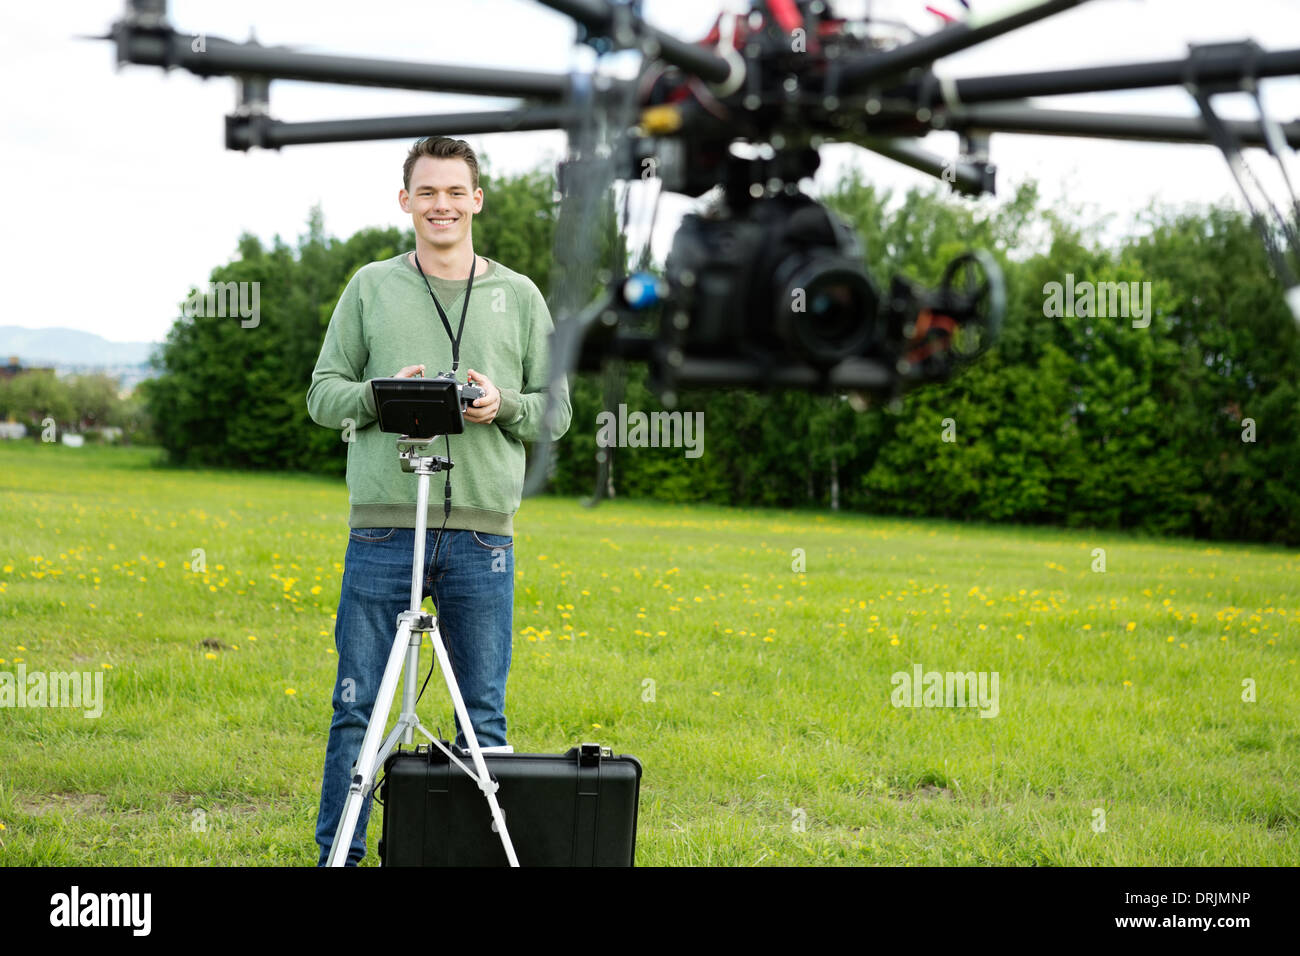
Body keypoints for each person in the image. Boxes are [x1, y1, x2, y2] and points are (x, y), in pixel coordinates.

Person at [305, 135, 571, 866]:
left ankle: (470, 858)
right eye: (428, 192)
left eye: (455, 191)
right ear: (406, 202)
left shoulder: (518, 296)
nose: (442, 205)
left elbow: (559, 410)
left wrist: (505, 404)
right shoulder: (370, 286)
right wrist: (382, 396)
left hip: (483, 536)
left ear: (477, 200)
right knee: (356, 708)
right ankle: (341, 858)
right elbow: (322, 395)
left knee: (481, 714)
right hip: (385, 530)